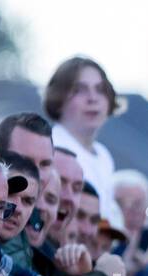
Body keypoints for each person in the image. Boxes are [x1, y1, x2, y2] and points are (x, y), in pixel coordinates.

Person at [44, 57, 120, 214]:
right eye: (80, 90)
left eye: (100, 90)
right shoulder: (49, 148)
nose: (93, 98)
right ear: (59, 98)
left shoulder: (104, 155)